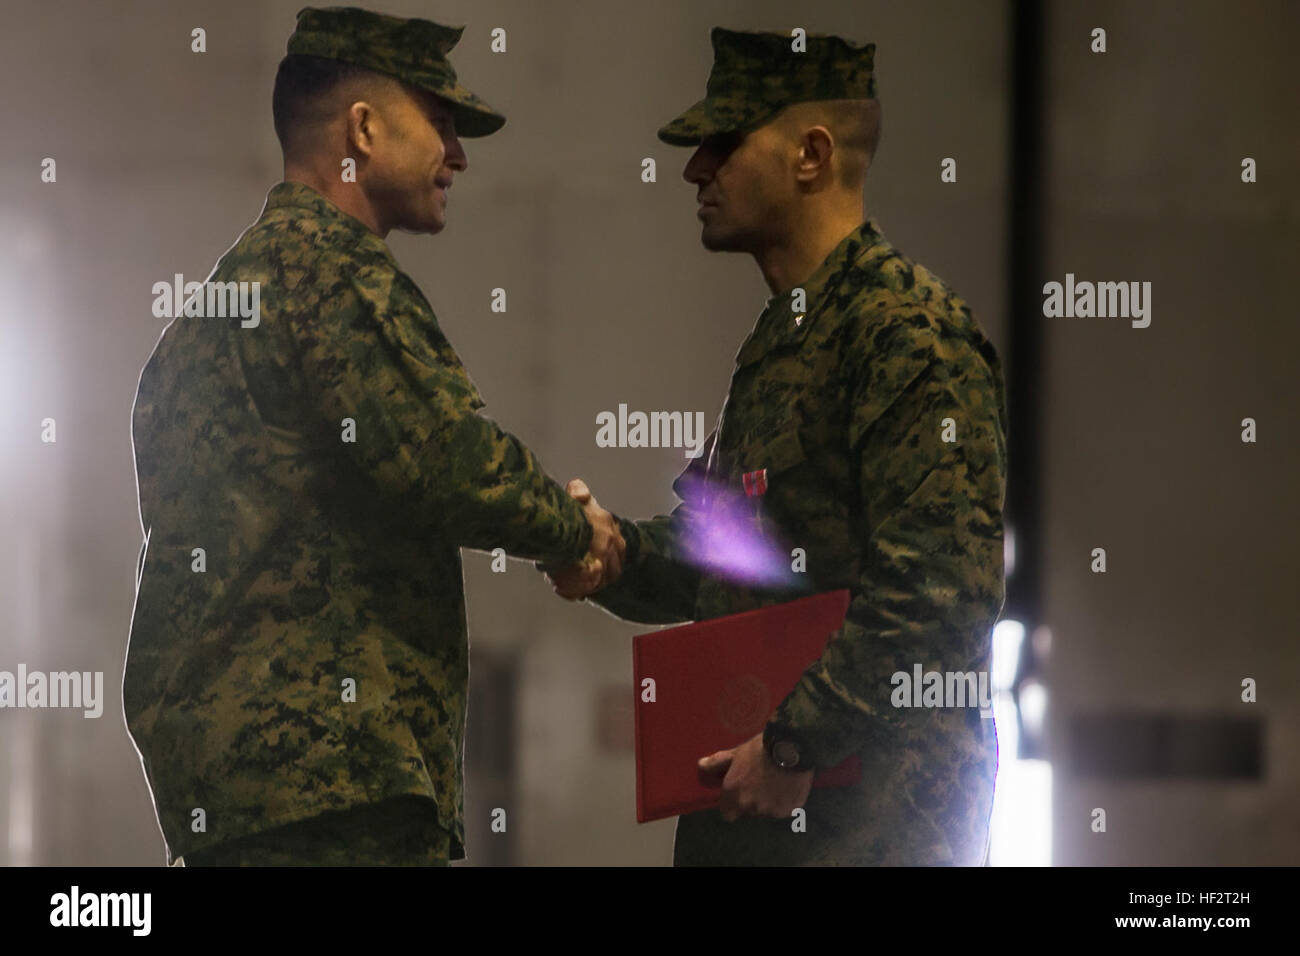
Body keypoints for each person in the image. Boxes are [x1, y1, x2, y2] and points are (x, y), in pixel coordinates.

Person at [123, 6, 623, 867]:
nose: (457, 156)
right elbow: (447, 462)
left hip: (228, 804)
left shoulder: (200, 319)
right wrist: (579, 532)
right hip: (338, 789)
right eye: (441, 122)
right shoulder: (331, 276)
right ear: (362, 128)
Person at [546, 27, 1008, 865]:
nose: (696, 169)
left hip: (870, 829)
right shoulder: (788, 338)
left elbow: (939, 590)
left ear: (811, 155)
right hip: (768, 822)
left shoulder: (907, 334)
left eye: (723, 144)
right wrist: (614, 551)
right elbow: (730, 558)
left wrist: (799, 743)